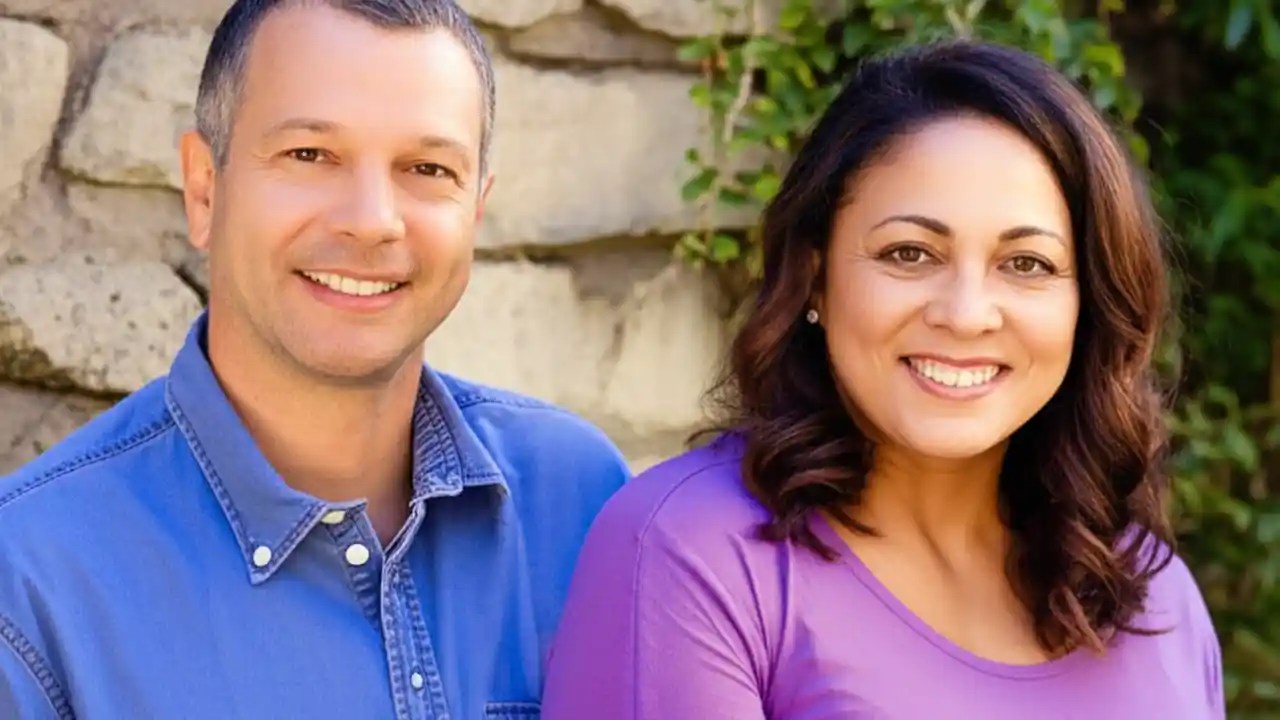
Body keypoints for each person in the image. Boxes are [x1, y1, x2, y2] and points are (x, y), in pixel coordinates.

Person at [542, 39, 1225, 720]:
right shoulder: (693, 552)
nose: (965, 315)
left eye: (1026, 264)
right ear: (815, 274)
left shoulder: (1147, 589)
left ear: (1090, 304)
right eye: (910, 253)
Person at [0, 1, 629, 718]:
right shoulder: (30, 586)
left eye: (427, 168)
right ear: (204, 188)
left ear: (475, 212)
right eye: (309, 155)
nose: (370, 220)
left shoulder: (582, 505)